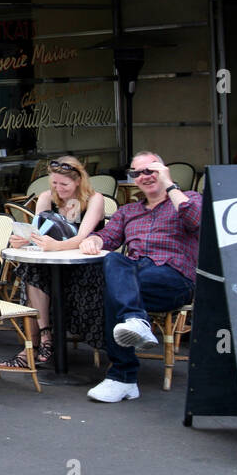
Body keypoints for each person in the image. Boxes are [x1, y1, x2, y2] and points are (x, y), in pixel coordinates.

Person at [79, 151, 201, 403]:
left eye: (151, 170)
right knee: (113, 263)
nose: (144, 177)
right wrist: (93, 239)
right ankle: (135, 321)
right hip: (135, 282)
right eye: (137, 173)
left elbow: (196, 220)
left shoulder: (188, 198)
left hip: (174, 279)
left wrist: (170, 185)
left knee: (116, 291)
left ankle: (122, 377)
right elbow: (108, 237)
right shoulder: (128, 211)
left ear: (164, 170)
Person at [0, 155, 106, 368]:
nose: (59, 188)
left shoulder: (94, 199)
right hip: (49, 264)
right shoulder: (47, 197)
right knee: (31, 270)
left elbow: (81, 238)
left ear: (78, 181)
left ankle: (35, 346)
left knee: (32, 275)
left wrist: (56, 246)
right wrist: (25, 240)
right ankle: (44, 337)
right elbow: (37, 234)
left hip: (83, 266)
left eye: (64, 184)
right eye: (54, 183)